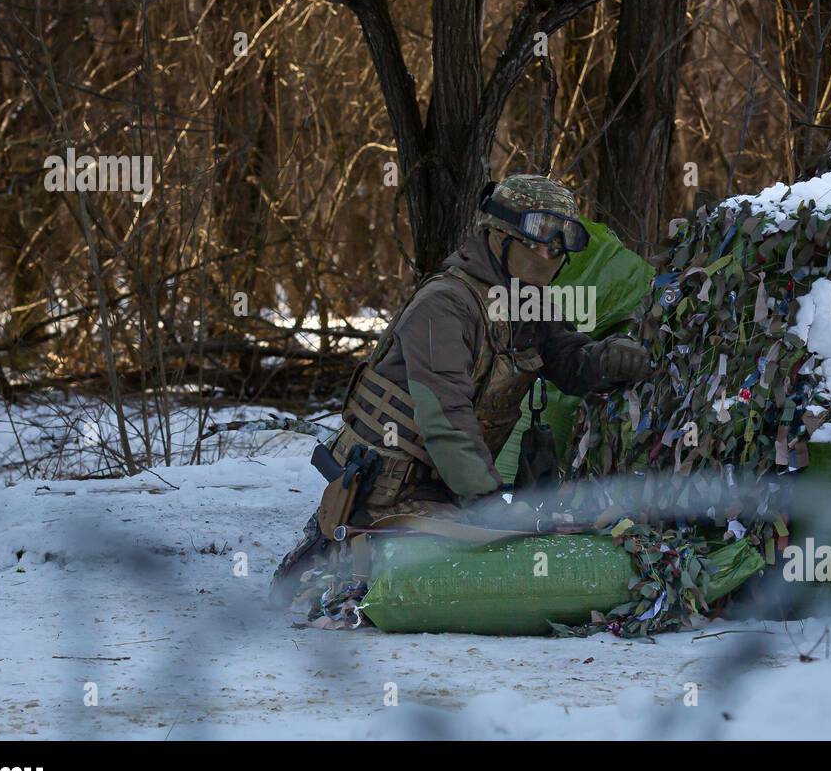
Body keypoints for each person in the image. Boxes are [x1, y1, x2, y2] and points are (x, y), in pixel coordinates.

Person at [270, 175, 650, 605]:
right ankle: (329, 563)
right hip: (392, 490)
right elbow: (445, 419)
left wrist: (608, 360)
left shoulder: (529, 300)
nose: (548, 255)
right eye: (539, 240)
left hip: (450, 487)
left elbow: (568, 360)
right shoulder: (445, 304)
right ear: (499, 234)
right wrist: (492, 505)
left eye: (559, 246)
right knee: (474, 573)